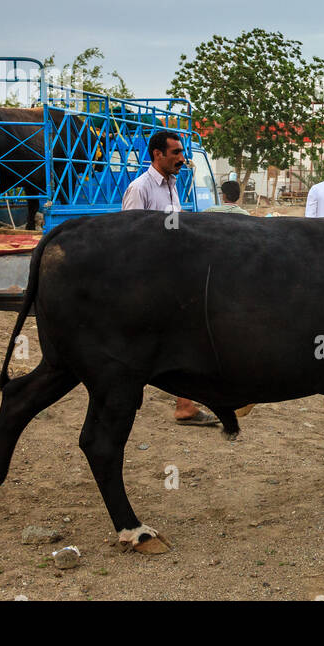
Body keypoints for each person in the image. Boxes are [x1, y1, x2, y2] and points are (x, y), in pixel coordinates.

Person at [120, 130, 220, 428]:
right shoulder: (140, 188)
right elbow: (129, 239)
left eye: (181, 152)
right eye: (175, 152)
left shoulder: (173, 185)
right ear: (157, 154)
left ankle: (184, 405)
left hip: (173, 276)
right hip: (150, 280)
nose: (181, 158)